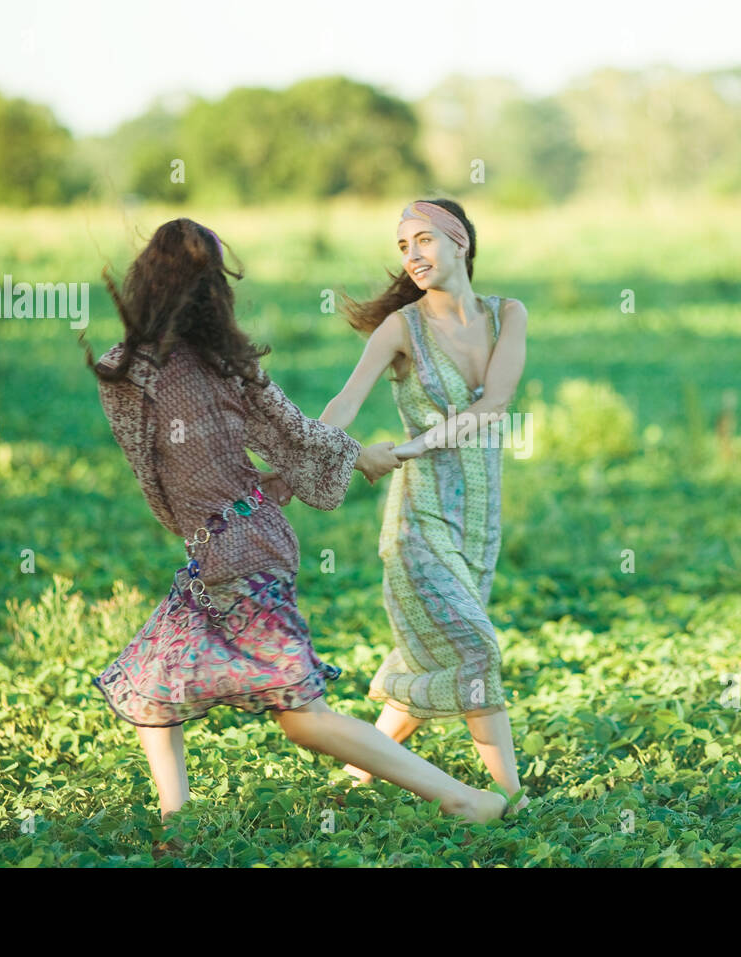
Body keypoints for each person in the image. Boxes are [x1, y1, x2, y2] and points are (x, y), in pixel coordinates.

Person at [81, 218, 514, 837]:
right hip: (220, 546)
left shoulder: (129, 369)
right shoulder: (197, 366)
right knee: (153, 685)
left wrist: (344, 457)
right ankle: (176, 824)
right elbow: (291, 439)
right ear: (213, 291)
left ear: (146, 280)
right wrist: (355, 456)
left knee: (303, 718)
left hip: (245, 548)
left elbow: (187, 464)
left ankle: (461, 797)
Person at [270, 199, 530, 813]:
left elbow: (493, 404)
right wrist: (296, 468)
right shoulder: (400, 329)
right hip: (418, 517)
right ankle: (506, 799)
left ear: (459, 241)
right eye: (402, 246)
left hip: (480, 517)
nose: (412, 255)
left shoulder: (507, 315)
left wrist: (408, 444)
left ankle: (360, 777)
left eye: (423, 240)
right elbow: (340, 408)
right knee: (474, 647)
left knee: (427, 650)